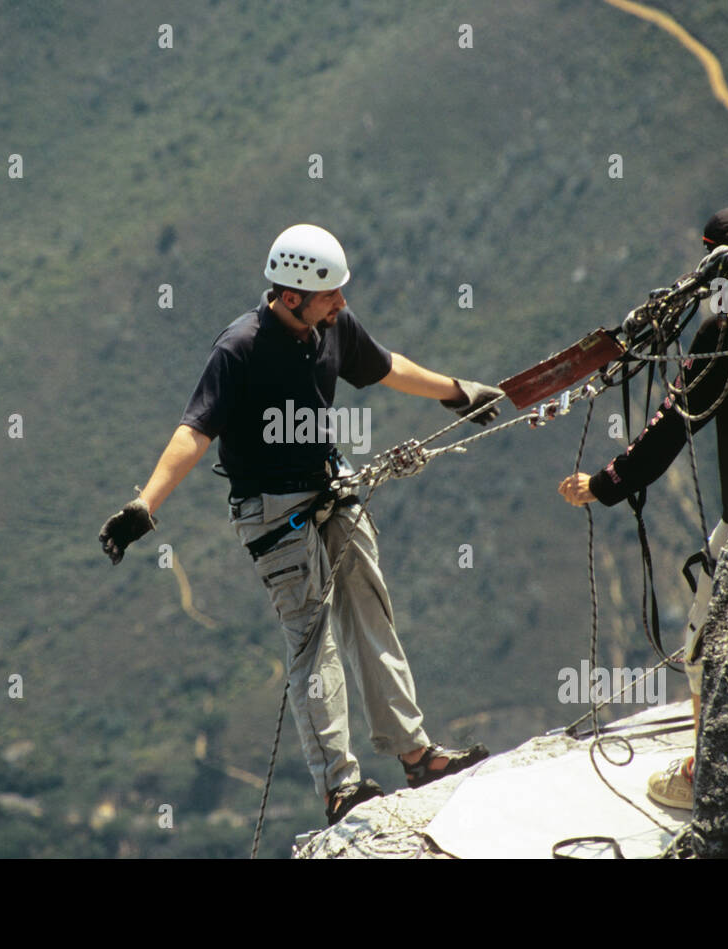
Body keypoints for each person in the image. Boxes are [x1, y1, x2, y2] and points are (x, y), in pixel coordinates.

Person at [100, 224, 501, 826]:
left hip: (330, 489)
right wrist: (145, 506)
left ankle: (415, 754)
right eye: (329, 295)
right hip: (271, 510)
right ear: (290, 296)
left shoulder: (332, 326)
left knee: (371, 608)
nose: (341, 303)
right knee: (314, 641)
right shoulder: (238, 349)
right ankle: (339, 786)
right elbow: (195, 430)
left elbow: (386, 367)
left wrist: (456, 392)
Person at [557, 207, 728, 810]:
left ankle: (706, 776)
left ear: (713, 261)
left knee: (703, 642)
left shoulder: (724, 329)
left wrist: (604, 483)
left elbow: (673, 425)